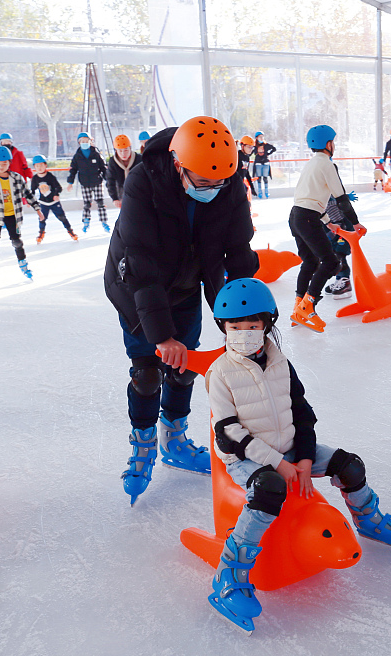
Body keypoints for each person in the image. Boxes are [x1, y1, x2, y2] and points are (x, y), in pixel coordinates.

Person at [205, 278, 391, 632]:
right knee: (269, 489)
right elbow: (228, 434)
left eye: (251, 325)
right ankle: (230, 576)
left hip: (291, 447)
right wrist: (279, 464)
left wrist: (302, 459)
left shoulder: (280, 363)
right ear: (223, 327)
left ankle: (367, 519)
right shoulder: (220, 372)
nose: (242, 333)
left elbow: (302, 414)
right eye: (233, 327)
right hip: (249, 458)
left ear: (267, 323)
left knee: (349, 465)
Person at [103, 116, 258, 506]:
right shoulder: (143, 181)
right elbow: (139, 260)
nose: (214, 189)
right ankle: (142, 445)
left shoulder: (226, 183)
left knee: (184, 366)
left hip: (188, 281)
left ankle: (174, 439)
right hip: (136, 285)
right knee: (148, 372)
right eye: (204, 181)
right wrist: (161, 335)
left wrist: (245, 319)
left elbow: (238, 251)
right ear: (178, 164)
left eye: (221, 182)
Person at [287, 124, 366, 332]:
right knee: (331, 263)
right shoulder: (327, 165)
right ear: (328, 144)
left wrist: (328, 222)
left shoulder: (312, 164)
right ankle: (307, 306)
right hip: (307, 218)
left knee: (310, 261)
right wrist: (355, 222)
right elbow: (341, 199)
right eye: (334, 142)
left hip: (296, 216)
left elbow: (311, 199)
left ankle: (298, 307)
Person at [0, 145, 43, 281]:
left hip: (13, 215)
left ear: (9, 163)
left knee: (17, 241)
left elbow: (27, 194)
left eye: (4, 163)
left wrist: (37, 209)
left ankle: (24, 265)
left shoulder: (17, 178)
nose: (1, 166)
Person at [66, 131, 110, 234]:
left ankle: (104, 222)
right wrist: (70, 182)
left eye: (86, 141)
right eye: (82, 141)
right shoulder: (77, 156)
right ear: (79, 142)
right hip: (85, 183)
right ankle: (86, 221)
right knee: (87, 204)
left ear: (90, 142)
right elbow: (73, 170)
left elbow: (103, 168)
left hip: (97, 181)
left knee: (100, 203)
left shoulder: (96, 154)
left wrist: (108, 179)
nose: (85, 143)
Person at [30, 154, 77, 243]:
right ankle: (41, 233)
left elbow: (58, 187)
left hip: (54, 202)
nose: (39, 168)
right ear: (34, 167)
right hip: (43, 203)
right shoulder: (35, 178)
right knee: (42, 218)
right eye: (37, 166)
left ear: (45, 165)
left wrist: (56, 195)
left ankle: (70, 231)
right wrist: (30, 201)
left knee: (62, 217)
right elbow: (32, 190)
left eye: (41, 165)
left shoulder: (50, 176)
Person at [322, 192, 355, 300]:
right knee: (335, 255)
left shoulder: (329, 202)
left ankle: (345, 282)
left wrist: (331, 236)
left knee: (340, 256)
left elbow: (338, 223)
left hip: (343, 233)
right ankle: (339, 279)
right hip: (337, 233)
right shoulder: (324, 200)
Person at [106, 134, 142, 208]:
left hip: (139, 191)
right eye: (120, 151)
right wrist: (115, 198)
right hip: (122, 193)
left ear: (130, 148)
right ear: (116, 150)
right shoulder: (113, 162)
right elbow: (110, 180)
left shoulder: (139, 159)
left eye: (126, 150)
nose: (123, 154)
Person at [251, 131, 277, 198]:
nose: (262, 138)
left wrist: (268, 154)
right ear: (256, 138)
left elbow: (274, 149)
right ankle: (260, 193)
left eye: (262, 137)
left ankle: (266, 192)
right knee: (258, 178)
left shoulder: (266, 145)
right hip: (258, 164)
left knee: (265, 178)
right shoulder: (254, 146)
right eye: (260, 137)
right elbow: (250, 152)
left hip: (265, 163)